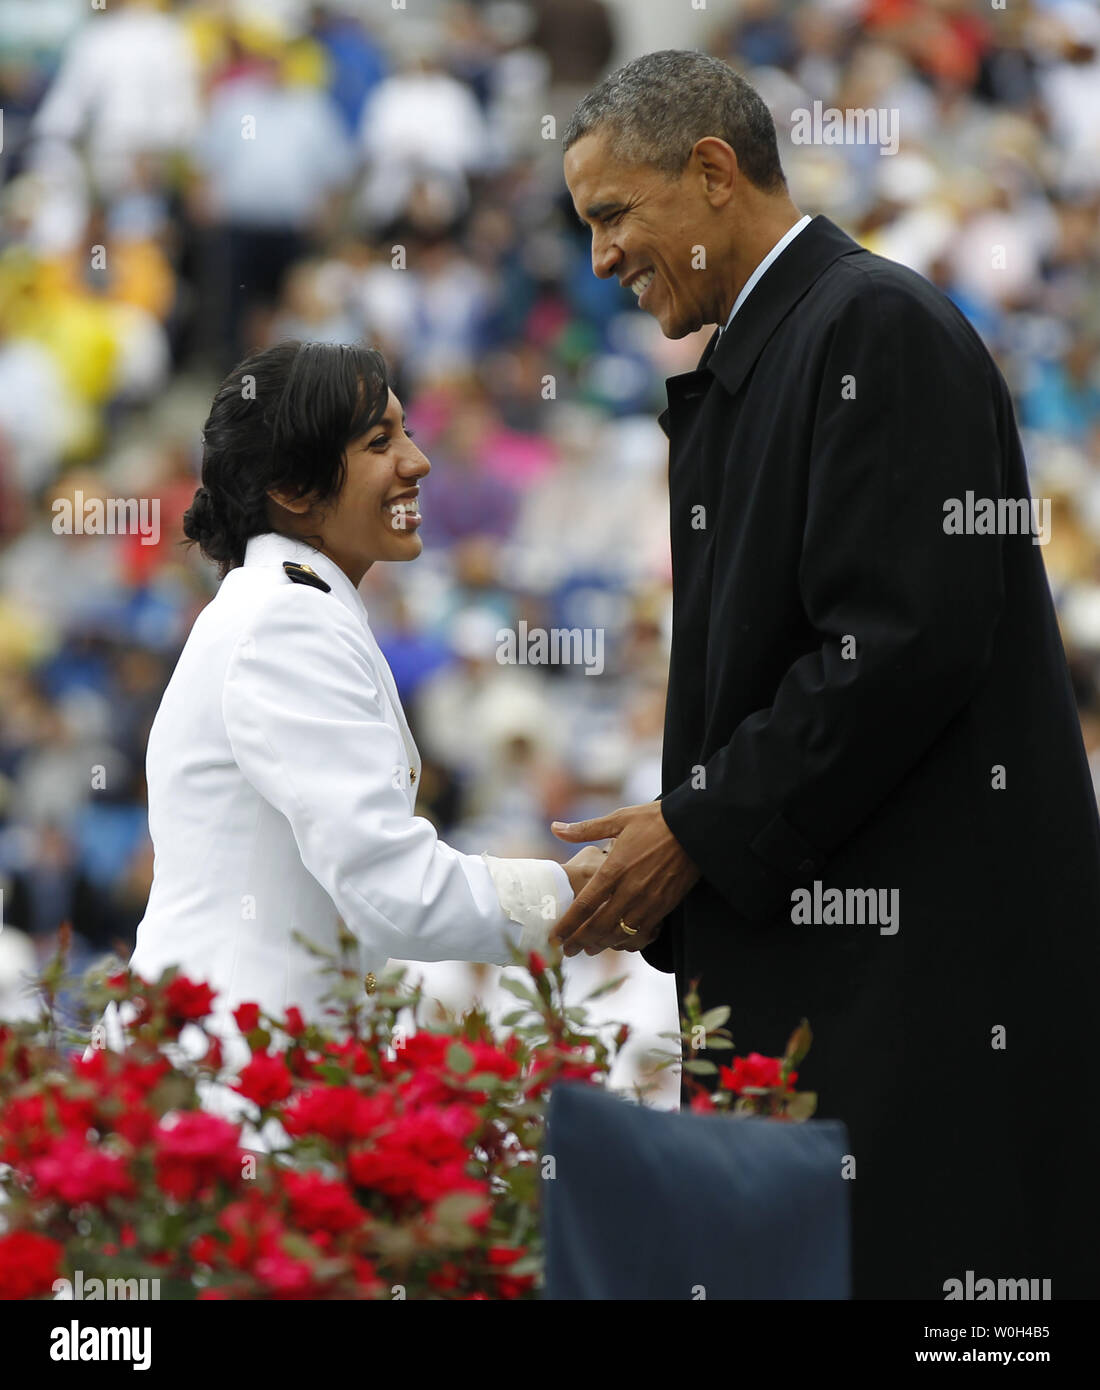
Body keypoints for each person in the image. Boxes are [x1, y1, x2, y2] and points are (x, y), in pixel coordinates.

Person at [555, 50, 1100, 1299]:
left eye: (612, 216)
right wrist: (683, 829)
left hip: (921, 990)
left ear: (708, 172)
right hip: (844, 972)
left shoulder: (869, 325)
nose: (598, 260)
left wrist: (689, 829)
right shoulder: (765, 356)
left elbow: (896, 646)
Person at [121, 339, 603, 1039]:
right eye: (381, 441)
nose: (418, 460)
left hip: (243, 1063)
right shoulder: (286, 619)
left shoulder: (290, 605)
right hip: (232, 1082)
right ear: (291, 489)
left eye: (407, 431)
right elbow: (393, 890)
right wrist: (578, 895)